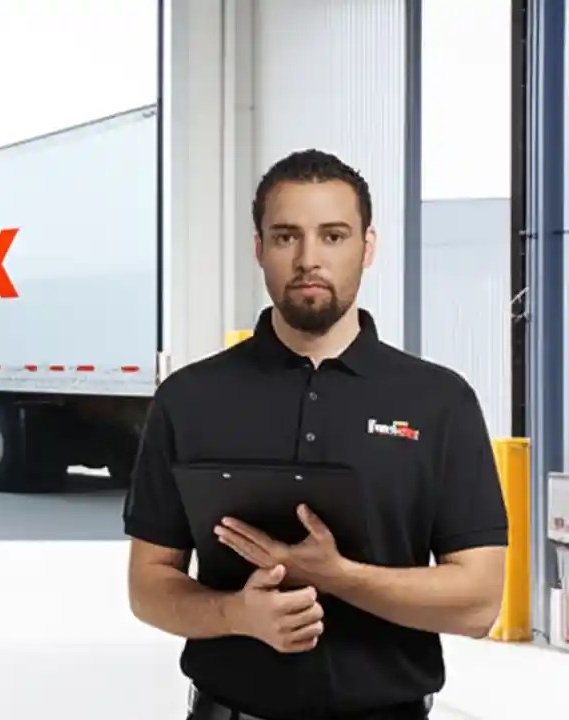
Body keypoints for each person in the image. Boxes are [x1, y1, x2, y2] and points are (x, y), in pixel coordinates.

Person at [123, 149, 509, 720]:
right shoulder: (190, 399)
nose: (309, 259)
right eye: (285, 237)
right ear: (259, 249)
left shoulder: (438, 401)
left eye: (333, 236)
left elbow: (478, 603)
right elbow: (148, 584)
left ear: (367, 247)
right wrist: (237, 615)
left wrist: (340, 576)